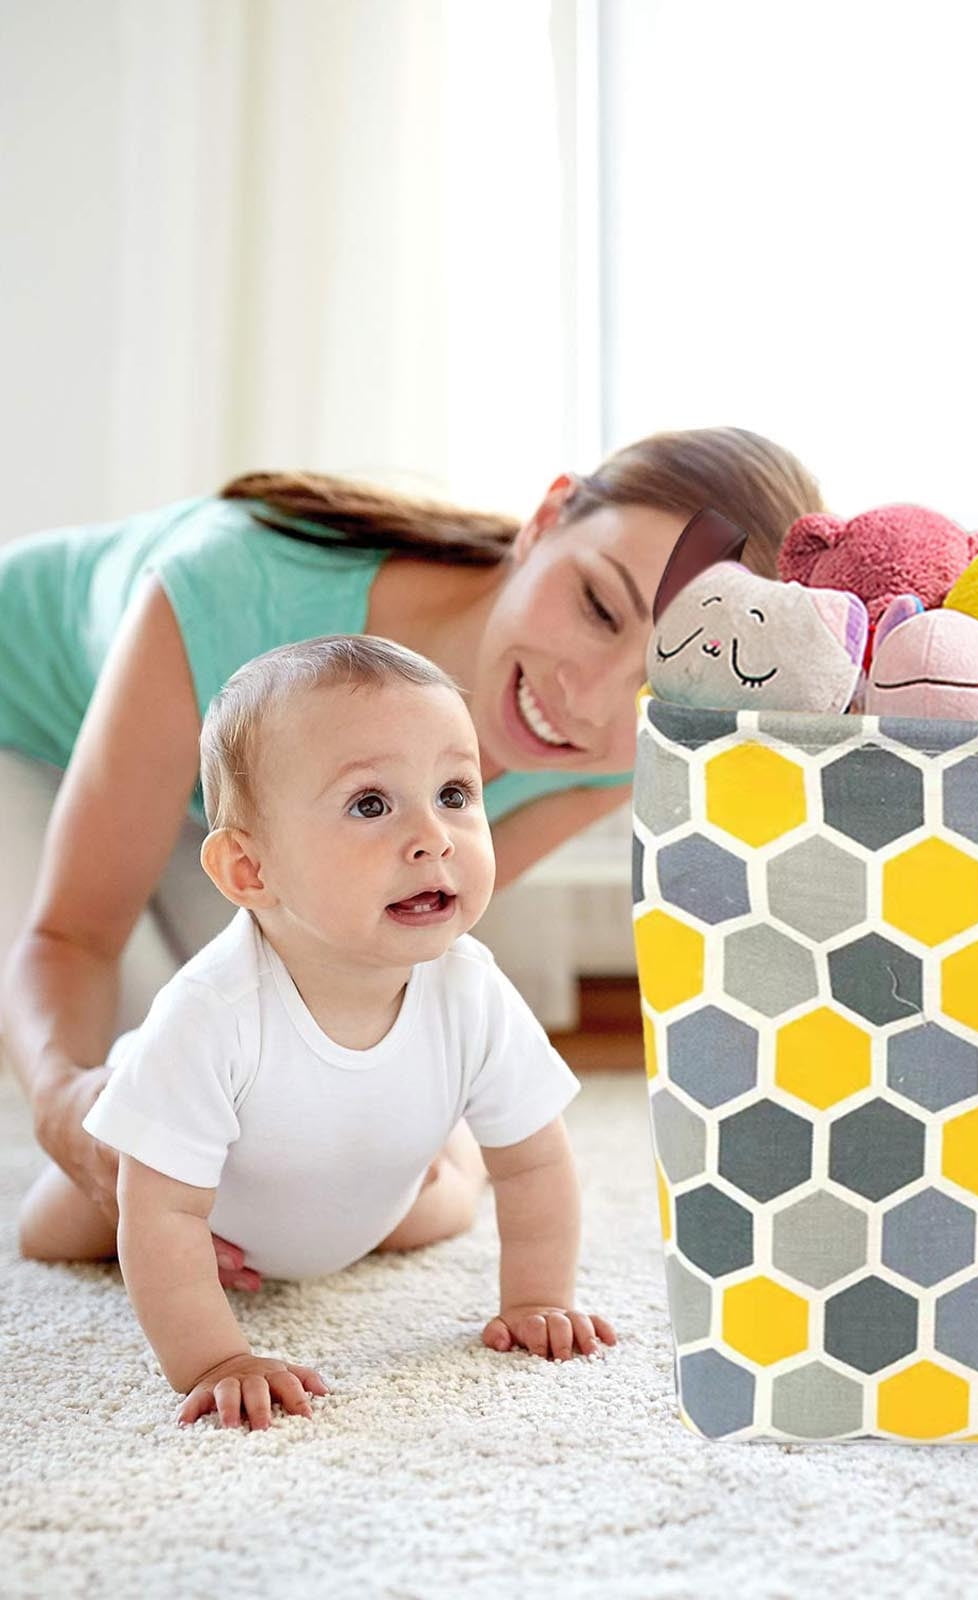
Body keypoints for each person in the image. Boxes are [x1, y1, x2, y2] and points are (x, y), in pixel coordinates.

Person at [0, 427, 823, 1287]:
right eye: (599, 607)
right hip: (20, 738)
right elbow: (71, 936)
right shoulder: (230, 587)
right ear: (546, 519)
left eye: (655, 680)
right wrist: (67, 1113)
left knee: (286, 1040)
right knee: (153, 1093)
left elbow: (411, 941)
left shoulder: (620, 748)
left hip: (213, 821)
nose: (585, 701)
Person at [20, 636, 616, 1429]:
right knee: (53, 1233)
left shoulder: (471, 988)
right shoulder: (211, 1014)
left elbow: (537, 1161)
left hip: (369, 1193)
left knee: (441, 1207)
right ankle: (428, 1154)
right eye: (371, 804)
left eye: (453, 793)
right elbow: (163, 1216)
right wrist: (218, 1358)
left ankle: (446, 1157)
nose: (434, 836)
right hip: (202, 1191)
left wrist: (538, 1299)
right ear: (250, 872)